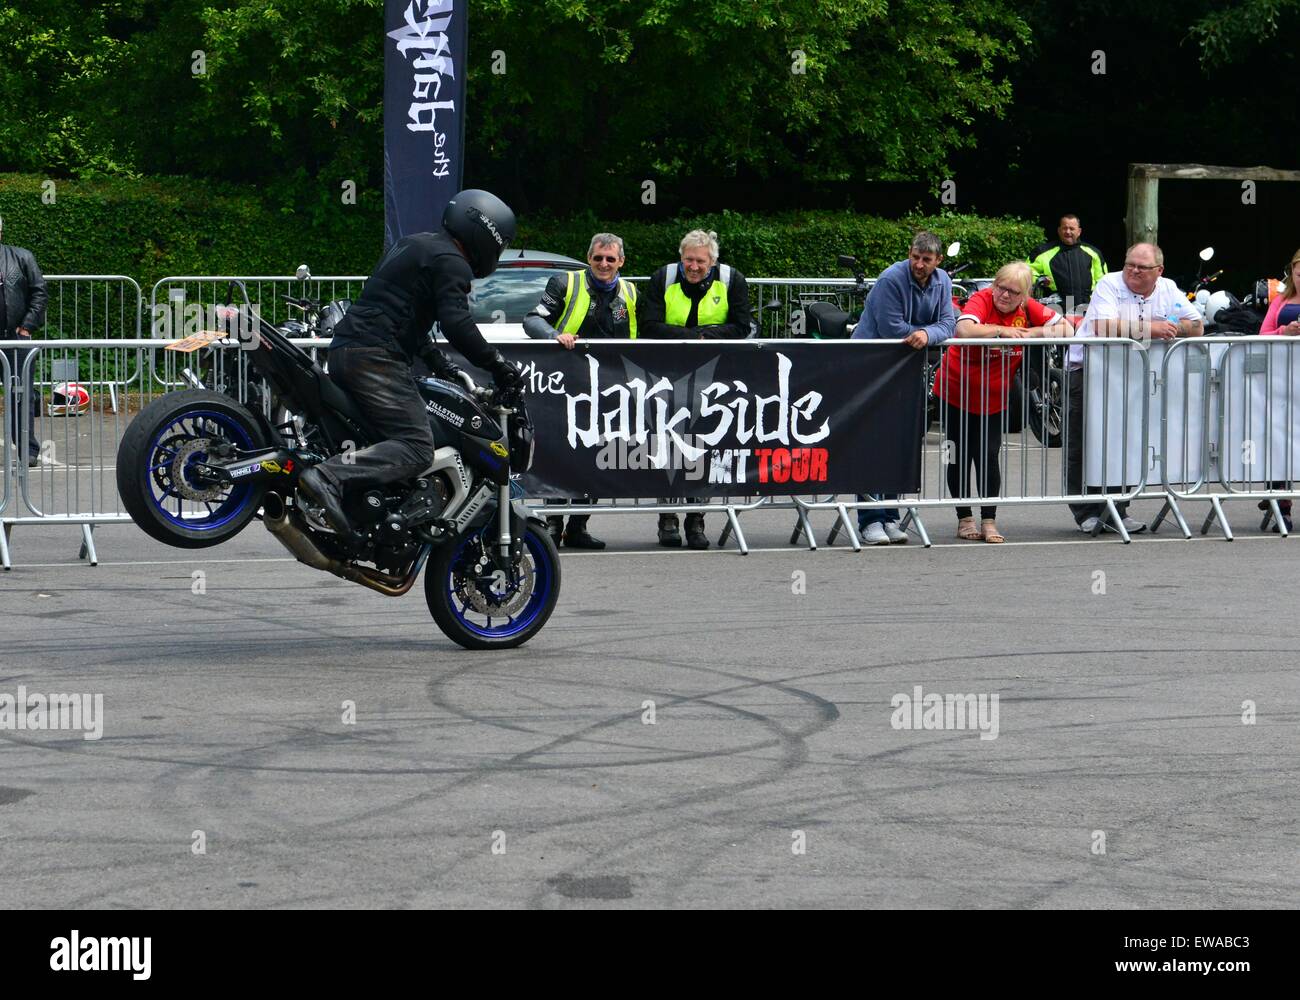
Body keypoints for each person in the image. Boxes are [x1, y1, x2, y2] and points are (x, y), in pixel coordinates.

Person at [298, 190, 525, 536]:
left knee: (377, 436)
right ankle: (329, 477)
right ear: (488, 233)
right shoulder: (453, 261)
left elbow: (408, 318)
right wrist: (497, 364)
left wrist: (442, 366)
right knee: (418, 448)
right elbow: (456, 323)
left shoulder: (417, 244)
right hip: (375, 359)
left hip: (349, 351)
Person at [1067, 242, 1202, 535]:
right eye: (1130, 264)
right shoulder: (1109, 283)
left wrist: (1173, 328)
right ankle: (1087, 510)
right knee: (1087, 440)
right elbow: (1103, 326)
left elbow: (1197, 325)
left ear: (1159, 271)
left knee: (1127, 440)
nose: (1134, 271)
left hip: (1135, 375)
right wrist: (1153, 328)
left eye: (1142, 267)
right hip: (1089, 371)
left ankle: (1118, 507)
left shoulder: (1168, 288)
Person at [935, 261, 1070, 543]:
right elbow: (965, 330)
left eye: (1013, 291)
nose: (1005, 295)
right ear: (994, 285)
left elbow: (1066, 329)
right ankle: (964, 518)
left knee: (988, 454)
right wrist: (1000, 330)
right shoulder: (981, 299)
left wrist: (1030, 333)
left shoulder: (1027, 307)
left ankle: (989, 520)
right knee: (958, 454)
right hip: (956, 390)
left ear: (1024, 296)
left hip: (993, 395)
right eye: (1001, 287)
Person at [523, 233, 639, 549]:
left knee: (596, 455)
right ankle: (553, 525)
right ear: (589, 258)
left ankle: (578, 526)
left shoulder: (630, 291)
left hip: (609, 389)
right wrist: (553, 336)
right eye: (598, 258)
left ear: (621, 262)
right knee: (563, 453)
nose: (604, 264)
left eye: (610, 259)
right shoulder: (563, 284)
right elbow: (532, 320)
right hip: (566, 389)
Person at [639, 229, 753, 549]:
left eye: (700, 261)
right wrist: (687, 337)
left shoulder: (732, 280)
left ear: (712, 261)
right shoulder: (663, 278)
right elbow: (648, 325)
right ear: (681, 258)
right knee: (669, 446)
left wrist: (707, 336)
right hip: (666, 375)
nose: (694, 266)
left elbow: (742, 326)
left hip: (714, 379)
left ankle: (697, 518)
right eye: (689, 259)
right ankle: (668, 518)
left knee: (702, 445)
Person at [850, 231, 956, 545]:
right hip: (871, 367)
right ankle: (870, 520)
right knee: (872, 443)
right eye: (915, 257)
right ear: (909, 254)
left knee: (899, 443)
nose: (919, 265)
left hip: (907, 369)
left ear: (938, 261)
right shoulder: (890, 280)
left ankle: (890, 516)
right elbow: (891, 329)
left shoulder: (944, 282)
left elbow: (949, 322)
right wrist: (926, 334)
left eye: (926, 260)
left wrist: (926, 334)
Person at [1256, 247, 1300, 530]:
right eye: (1299, 271)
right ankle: (1280, 502)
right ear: (1292, 272)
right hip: (1282, 383)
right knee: (1279, 440)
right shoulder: (1280, 301)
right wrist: (1283, 332)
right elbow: (1261, 334)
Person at [1, 215, 48, 468]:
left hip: (15, 339)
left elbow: (39, 291)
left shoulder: (22, 257)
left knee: (22, 395)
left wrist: (27, 325)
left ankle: (28, 449)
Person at [1029, 214, 1106, 312]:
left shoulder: (1094, 253)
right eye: (1064, 228)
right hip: (1055, 309)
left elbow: (1103, 282)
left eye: (1071, 228)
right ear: (1059, 230)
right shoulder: (1041, 252)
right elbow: (1026, 274)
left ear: (1079, 231)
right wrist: (1040, 279)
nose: (1068, 232)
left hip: (1087, 308)